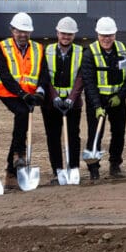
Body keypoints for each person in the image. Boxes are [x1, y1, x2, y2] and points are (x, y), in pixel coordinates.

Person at [0, 12, 50, 189]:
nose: (23, 35)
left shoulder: (38, 48)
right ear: (12, 30)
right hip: (8, 92)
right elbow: (5, 75)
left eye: (26, 31)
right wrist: (21, 93)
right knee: (22, 112)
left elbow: (43, 73)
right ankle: (20, 152)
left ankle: (12, 169)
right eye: (19, 31)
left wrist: (40, 91)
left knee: (22, 118)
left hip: (31, 94)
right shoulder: (2, 47)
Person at [82, 16, 126, 181]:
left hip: (117, 101)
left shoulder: (123, 49)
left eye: (110, 35)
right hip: (96, 101)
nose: (106, 39)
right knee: (95, 134)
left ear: (115, 34)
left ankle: (115, 165)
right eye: (103, 35)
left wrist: (121, 96)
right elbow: (88, 82)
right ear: (97, 35)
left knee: (118, 133)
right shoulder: (89, 53)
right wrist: (97, 105)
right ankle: (94, 168)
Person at [42, 17, 84, 185]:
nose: (66, 36)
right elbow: (45, 76)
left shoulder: (81, 52)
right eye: (63, 33)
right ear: (57, 33)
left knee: (74, 136)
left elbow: (81, 77)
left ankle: (73, 168)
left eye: (70, 34)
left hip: (73, 104)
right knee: (53, 137)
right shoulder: (47, 50)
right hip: (51, 104)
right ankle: (57, 170)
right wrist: (55, 97)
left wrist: (72, 98)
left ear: (74, 35)